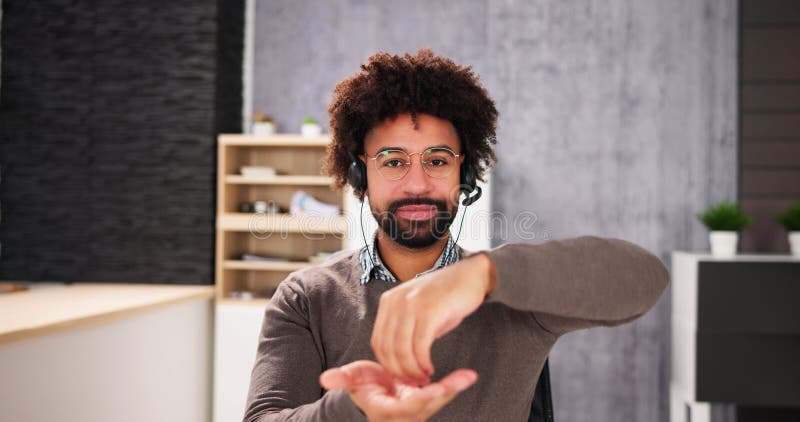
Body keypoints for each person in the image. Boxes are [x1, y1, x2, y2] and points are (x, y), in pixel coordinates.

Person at [243, 49, 669, 422]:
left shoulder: (512, 296)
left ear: (463, 174)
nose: (417, 184)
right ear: (360, 174)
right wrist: (355, 410)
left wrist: (482, 275)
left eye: (438, 161)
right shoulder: (306, 297)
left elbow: (645, 277)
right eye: (393, 162)